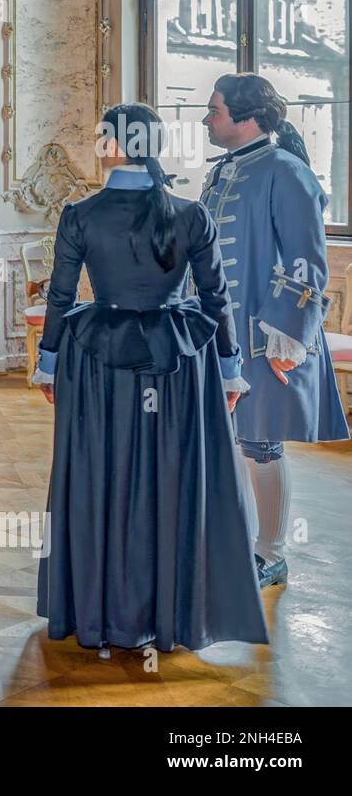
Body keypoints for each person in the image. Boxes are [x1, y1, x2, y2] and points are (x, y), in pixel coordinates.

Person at [34, 103, 266, 656]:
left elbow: (62, 297)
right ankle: (171, 612)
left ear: (115, 145)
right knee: (170, 480)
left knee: (101, 477)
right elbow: (217, 299)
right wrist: (230, 371)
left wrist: (48, 363)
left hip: (97, 364)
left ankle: (101, 611)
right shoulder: (191, 214)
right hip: (178, 362)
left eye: (98, 137)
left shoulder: (80, 215)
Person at [201, 73, 349, 588]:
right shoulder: (221, 173)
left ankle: (271, 551)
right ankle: (236, 540)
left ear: (246, 118)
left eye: (215, 111)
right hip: (216, 336)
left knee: (262, 444)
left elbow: (308, 261)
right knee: (228, 442)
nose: (206, 119)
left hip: (263, 337)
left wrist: (287, 336)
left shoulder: (286, 172)